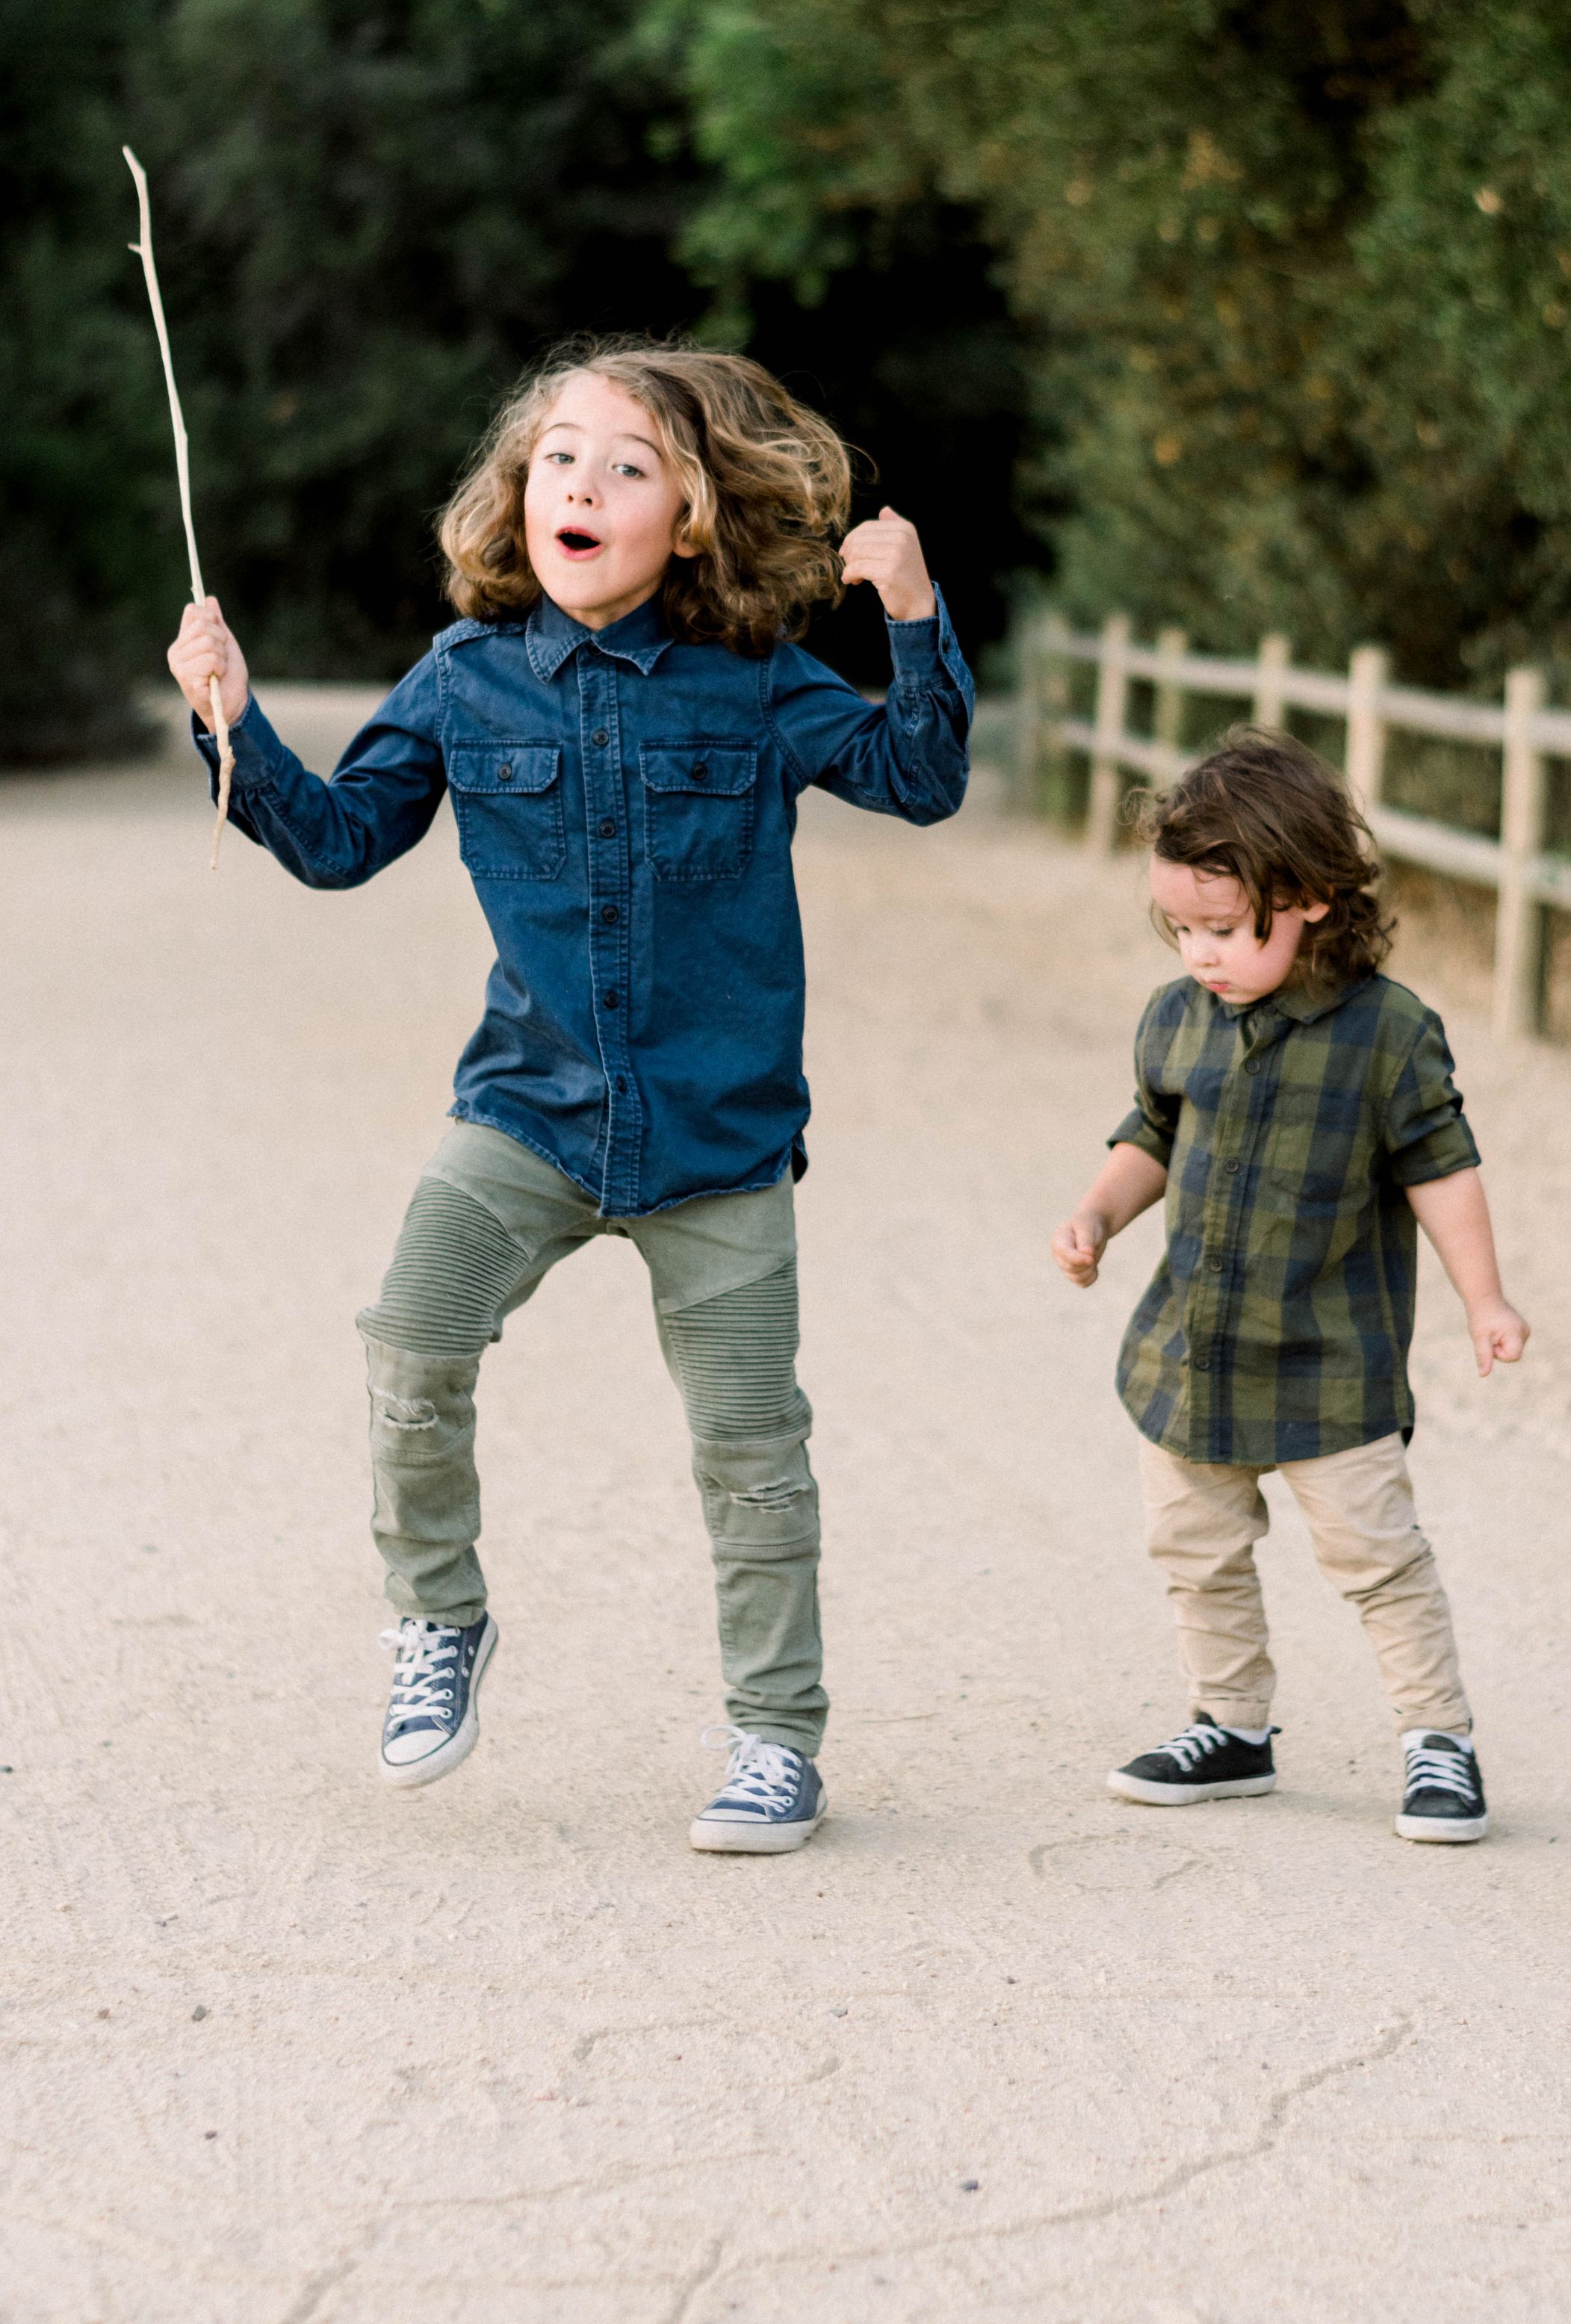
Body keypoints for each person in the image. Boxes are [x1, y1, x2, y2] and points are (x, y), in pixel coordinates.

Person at [167, 340, 970, 1852]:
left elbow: (916, 779)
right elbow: (338, 843)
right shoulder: (462, 677)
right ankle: (440, 1619)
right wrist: (234, 719)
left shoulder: (754, 679)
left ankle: (775, 1740)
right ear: (517, 493)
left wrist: (914, 618)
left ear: (691, 515)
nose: (582, 485)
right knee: (409, 1341)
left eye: (626, 464)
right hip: (528, 1110)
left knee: (751, 1450)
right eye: (557, 460)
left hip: (719, 1135)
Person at [1051, 728, 1527, 1843]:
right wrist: (1098, 1213)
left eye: (1222, 930)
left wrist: (1486, 1298)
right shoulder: (1177, 1017)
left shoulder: (1389, 1034)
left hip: (1331, 1364)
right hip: (1193, 1354)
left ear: (1311, 896)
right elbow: (1152, 1132)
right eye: (1180, 930)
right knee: (1195, 1551)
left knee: (1378, 1558)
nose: (1199, 955)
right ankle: (1230, 1727)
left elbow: (1442, 1167)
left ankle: (1437, 1740)